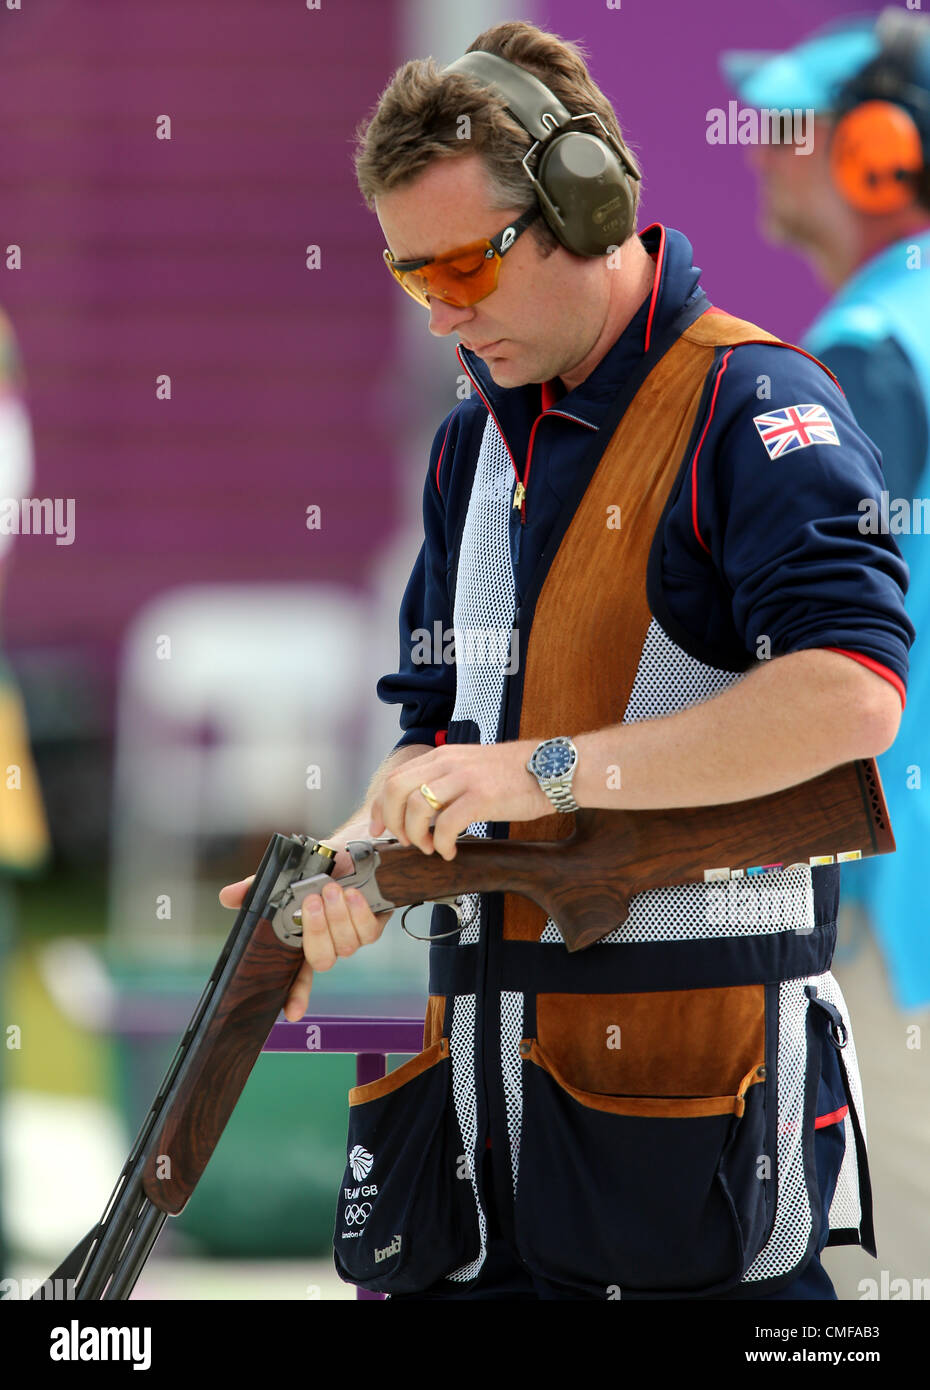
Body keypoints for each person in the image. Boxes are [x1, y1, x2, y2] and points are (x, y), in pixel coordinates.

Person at [222, 20, 913, 1300]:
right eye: (409, 276)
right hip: (485, 1157)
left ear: (583, 208)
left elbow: (851, 692)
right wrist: (374, 863)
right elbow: (437, 731)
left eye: (466, 270)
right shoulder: (467, 452)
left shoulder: (752, 409)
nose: (439, 316)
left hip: (698, 1144)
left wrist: (539, 774)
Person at [721, 7, 930, 1008]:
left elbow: (820, 642)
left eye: (783, 129)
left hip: (900, 910)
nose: (758, 156)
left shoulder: (870, 344)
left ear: (876, 158)